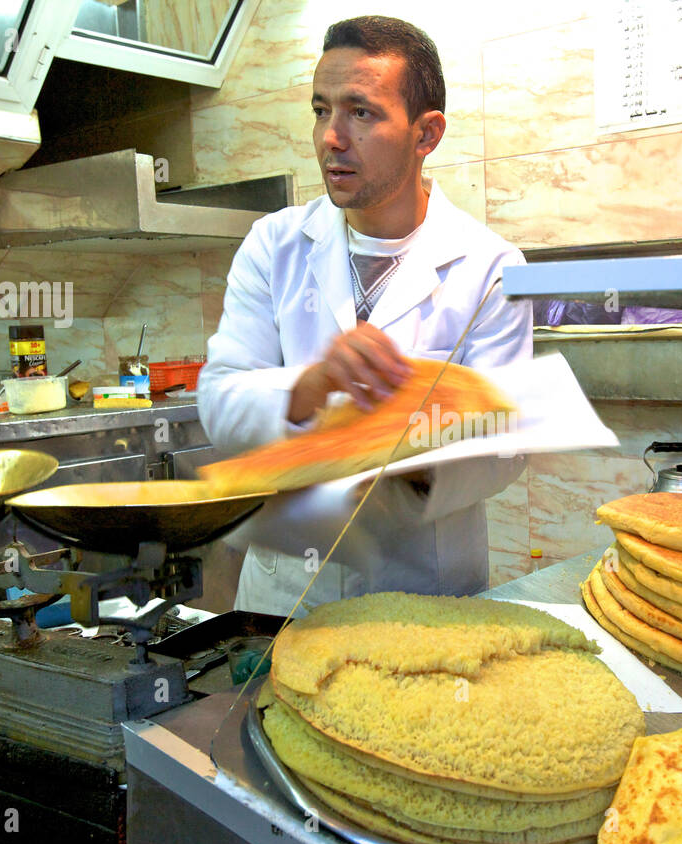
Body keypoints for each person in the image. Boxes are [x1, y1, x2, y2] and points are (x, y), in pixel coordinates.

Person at [197, 15, 532, 616]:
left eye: (361, 112)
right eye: (321, 110)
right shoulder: (274, 245)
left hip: (423, 596)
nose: (331, 137)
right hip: (283, 599)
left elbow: (506, 448)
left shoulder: (490, 266)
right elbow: (221, 401)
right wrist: (307, 390)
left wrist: (405, 444)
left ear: (426, 134)